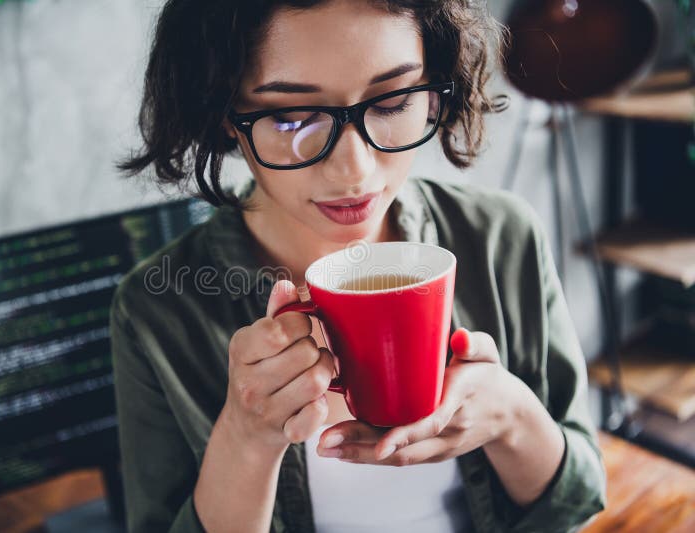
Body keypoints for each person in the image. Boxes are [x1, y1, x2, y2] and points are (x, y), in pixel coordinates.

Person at [110, 1, 607, 532]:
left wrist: (512, 418)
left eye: (393, 102)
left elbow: (574, 501)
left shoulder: (501, 239)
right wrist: (245, 439)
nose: (355, 170)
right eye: (292, 116)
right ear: (225, 114)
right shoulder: (156, 312)